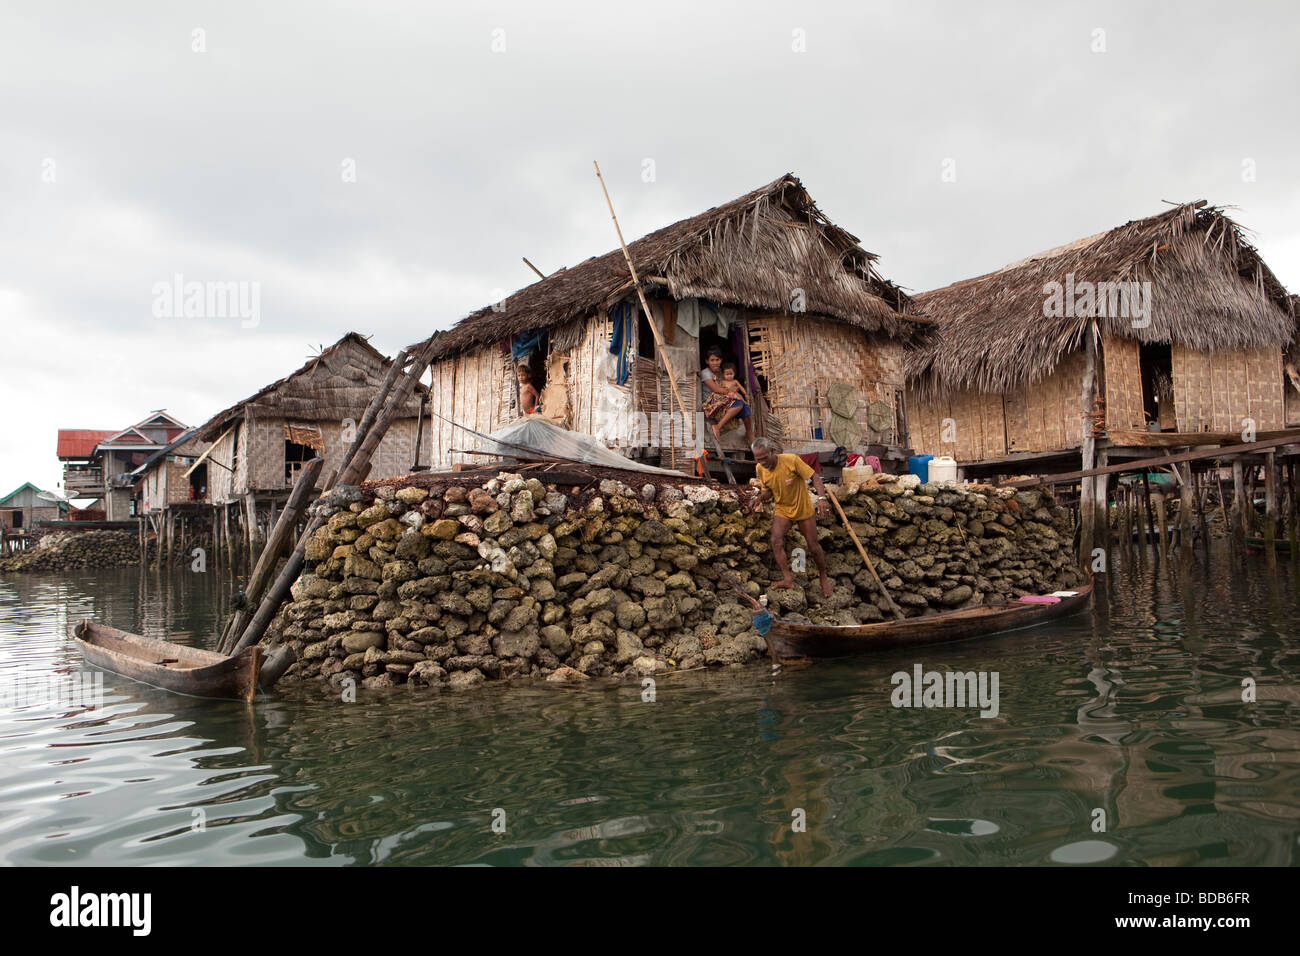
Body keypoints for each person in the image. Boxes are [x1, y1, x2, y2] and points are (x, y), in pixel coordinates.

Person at [750, 436, 832, 597]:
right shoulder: (760, 469)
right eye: (759, 460)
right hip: (783, 508)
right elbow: (768, 491)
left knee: (813, 546)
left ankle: (823, 576)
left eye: (765, 458)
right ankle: (787, 579)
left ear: (772, 451)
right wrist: (759, 498)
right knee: (775, 540)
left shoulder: (791, 460)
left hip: (802, 506)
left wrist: (822, 498)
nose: (763, 462)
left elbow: (814, 477)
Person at [700, 348, 754, 443]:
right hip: (711, 402)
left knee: (745, 408)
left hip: (724, 399)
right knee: (739, 403)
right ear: (707, 361)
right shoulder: (705, 373)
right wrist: (732, 391)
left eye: (717, 360)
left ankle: (749, 434)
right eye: (712, 360)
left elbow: (728, 387)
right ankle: (717, 426)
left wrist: (734, 392)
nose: (715, 363)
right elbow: (717, 389)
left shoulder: (723, 372)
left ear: (721, 360)